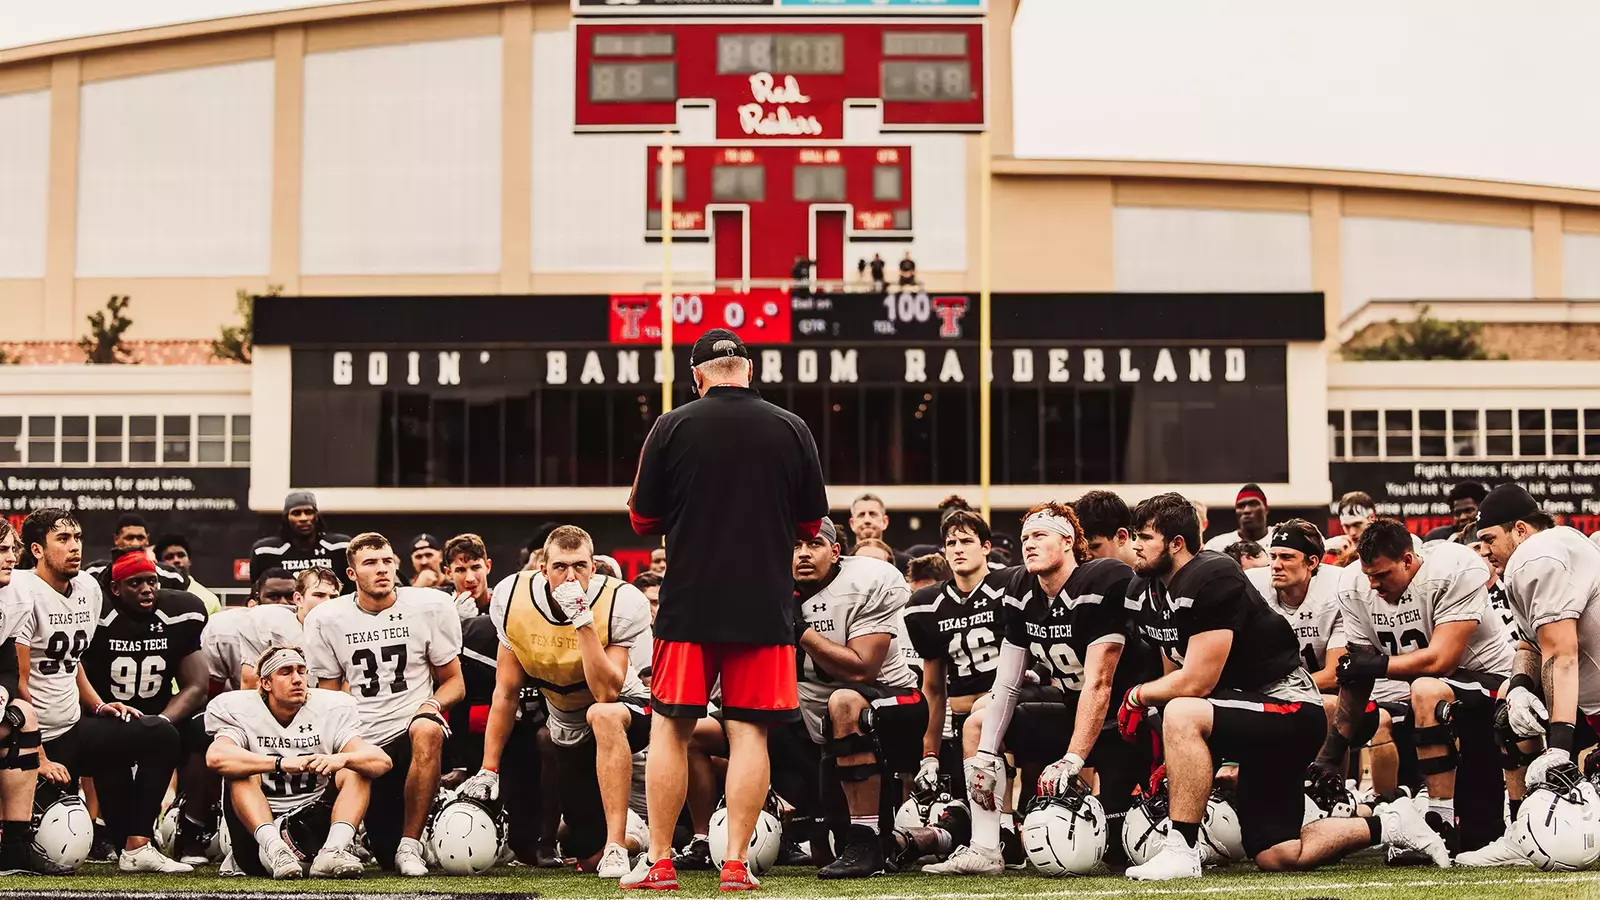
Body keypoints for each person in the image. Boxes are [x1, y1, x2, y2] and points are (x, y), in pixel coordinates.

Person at [1118, 494, 1446, 880]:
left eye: (1144, 537)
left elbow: (1196, 682)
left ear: (1177, 543)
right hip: (1250, 713)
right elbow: (1175, 675)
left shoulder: (1210, 575)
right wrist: (1179, 755)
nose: (1135, 545)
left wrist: (1137, 696)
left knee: (1181, 712)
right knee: (1278, 854)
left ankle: (1181, 851)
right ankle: (1390, 824)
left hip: (1289, 705)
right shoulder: (1144, 592)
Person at [625, 328, 829, 892]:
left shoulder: (671, 425)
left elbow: (642, 519)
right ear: (749, 369)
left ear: (697, 376)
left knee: (670, 728)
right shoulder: (791, 428)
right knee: (749, 734)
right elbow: (811, 524)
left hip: (690, 602)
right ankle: (736, 864)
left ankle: (661, 862)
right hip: (763, 605)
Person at [926, 502, 1156, 875]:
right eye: (1024, 538)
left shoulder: (1101, 581)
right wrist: (985, 754)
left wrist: (1073, 759)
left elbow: (1100, 683)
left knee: (1117, 851)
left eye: (1039, 535)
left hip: (1122, 725)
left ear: (1067, 542)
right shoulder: (1020, 588)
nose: (1028, 544)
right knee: (978, 724)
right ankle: (987, 847)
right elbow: (1008, 681)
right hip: (1071, 711)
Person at [460, 525, 653, 877]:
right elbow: (505, 691)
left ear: (593, 568)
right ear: (543, 569)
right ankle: (631, 839)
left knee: (602, 713)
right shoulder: (514, 598)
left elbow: (607, 692)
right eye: (560, 566)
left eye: (580, 566)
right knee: (587, 856)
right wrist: (489, 768)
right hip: (566, 723)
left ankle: (616, 846)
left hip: (626, 710)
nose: (570, 575)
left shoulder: (619, 600)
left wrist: (583, 622)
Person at [14, 508, 193, 872]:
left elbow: (71, 659)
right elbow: (18, 681)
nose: (74, 547)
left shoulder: (87, 588)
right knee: (57, 854)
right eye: (62, 539)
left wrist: (97, 705)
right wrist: (40, 755)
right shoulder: (22, 592)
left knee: (160, 734)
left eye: (77, 537)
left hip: (72, 727)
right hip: (27, 741)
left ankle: (137, 845)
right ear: (36, 549)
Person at [1329, 519, 1514, 857]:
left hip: (1492, 684)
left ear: (1408, 561)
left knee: (1427, 689)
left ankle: (1438, 821)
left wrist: (1376, 665)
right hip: (1430, 696)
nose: (1373, 585)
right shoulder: (1354, 586)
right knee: (1423, 692)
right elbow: (1358, 675)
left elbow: (1442, 660)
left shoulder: (1452, 568)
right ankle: (1432, 804)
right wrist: (1332, 749)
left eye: (1382, 575)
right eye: (1368, 575)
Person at [302, 532, 463, 875]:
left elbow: (454, 681)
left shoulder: (428, 606)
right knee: (385, 855)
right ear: (351, 574)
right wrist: (344, 749)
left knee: (426, 729)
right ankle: (369, 839)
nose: (382, 570)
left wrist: (431, 705)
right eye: (370, 563)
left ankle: (411, 845)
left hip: (411, 731)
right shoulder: (327, 618)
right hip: (365, 745)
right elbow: (330, 696)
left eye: (388, 561)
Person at [1470, 483, 1600, 866]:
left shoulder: (1534, 556)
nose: (1483, 550)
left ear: (1521, 530)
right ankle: (1522, 830)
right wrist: (1521, 688)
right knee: (1510, 717)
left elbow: (1562, 652)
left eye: (1489, 538)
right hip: (1591, 703)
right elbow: (1529, 645)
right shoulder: (1536, 557)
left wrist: (1559, 747)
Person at [792, 519, 924, 878]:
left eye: (815, 544)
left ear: (836, 552)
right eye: (795, 545)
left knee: (845, 700)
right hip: (818, 724)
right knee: (826, 848)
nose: (803, 553)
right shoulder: (771, 586)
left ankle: (866, 838)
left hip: (894, 703)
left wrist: (799, 631)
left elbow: (863, 670)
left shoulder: (867, 580)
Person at [206, 644, 392, 879]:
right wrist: (279, 764)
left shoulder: (331, 707)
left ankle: (333, 850)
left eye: (301, 671)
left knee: (356, 769)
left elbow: (381, 761)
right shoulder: (240, 709)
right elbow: (216, 757)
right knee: (240, 771)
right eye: (285, 672)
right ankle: (275, 850)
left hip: (312, 821)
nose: (297, 679)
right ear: (265, 683)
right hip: (256, 832)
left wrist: (340, 758)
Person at [81, 548, 212, 863]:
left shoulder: (182, 612)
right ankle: (114, 832)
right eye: (135, 583)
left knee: (204, 732)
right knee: (120, 822)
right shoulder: (95, 615)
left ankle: (190, 830)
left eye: (151, 582)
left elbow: (197, 686)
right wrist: (102, 708)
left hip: (160, 712)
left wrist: (161, 722)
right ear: (115, 589)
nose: (146, 590)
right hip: (107, 714)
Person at [902, 511, 1009, 810]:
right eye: (951, 543)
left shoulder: (1010, 588)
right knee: (958, 816)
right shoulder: (927, 605)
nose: (958, 548)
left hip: (1013, 711)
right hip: (961, 724)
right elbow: (934, 688)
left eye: (966, 541)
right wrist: (929, 755)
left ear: (986, 547)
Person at [0, 519, 65, 874]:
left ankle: (14, 845)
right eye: (2, 550)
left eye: (12, 550)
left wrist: (3, 703)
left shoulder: (16, 596)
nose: (11, 559)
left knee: (24, 713)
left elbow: (8, 669)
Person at [251, 491, 353, 593]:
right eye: (296, 513)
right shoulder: (265, 551)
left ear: (316, 516)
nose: (303, 518)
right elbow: (257, 593)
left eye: (308, 512)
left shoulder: (340, 547)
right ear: (286, 517)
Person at [238, 569, 305, 690]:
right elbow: (250, 684)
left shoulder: (312, 625)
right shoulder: (229, 629)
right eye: (273, 597)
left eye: (290, 597)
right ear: (257, 598)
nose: (283, 602)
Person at [152, 533, 222, 614]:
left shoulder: (210, 600)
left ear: (189, 561)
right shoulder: (152, 596)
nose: (176, 560)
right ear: (160, 563)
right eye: (169, 557)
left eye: (181, 555)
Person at [1074, 489, 1138, 566]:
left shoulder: (1152, 573)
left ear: (1121, 537)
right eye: (1082, 549)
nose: (1086, 557)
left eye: (1094, 547)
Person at [1203, 484, 1270, 552]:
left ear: (1266, 509)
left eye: (1253, 504)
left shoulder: (1277, 539)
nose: (1246, 510)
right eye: (1241, 506)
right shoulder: (1217, 546)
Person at [444, 533, 494, 619]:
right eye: (460, 570)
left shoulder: (504, 607)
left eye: (476, 567)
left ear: (488, 566)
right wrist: (453, 621)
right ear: (449, 573)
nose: (470, 578)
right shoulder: (440, 611)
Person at [1425, 482, 1489, 543]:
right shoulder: (1436, 538)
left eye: (1468, 511)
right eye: (1457, 513)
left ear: (1482, 509)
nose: (1462, 517)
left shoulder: (1493, 535)